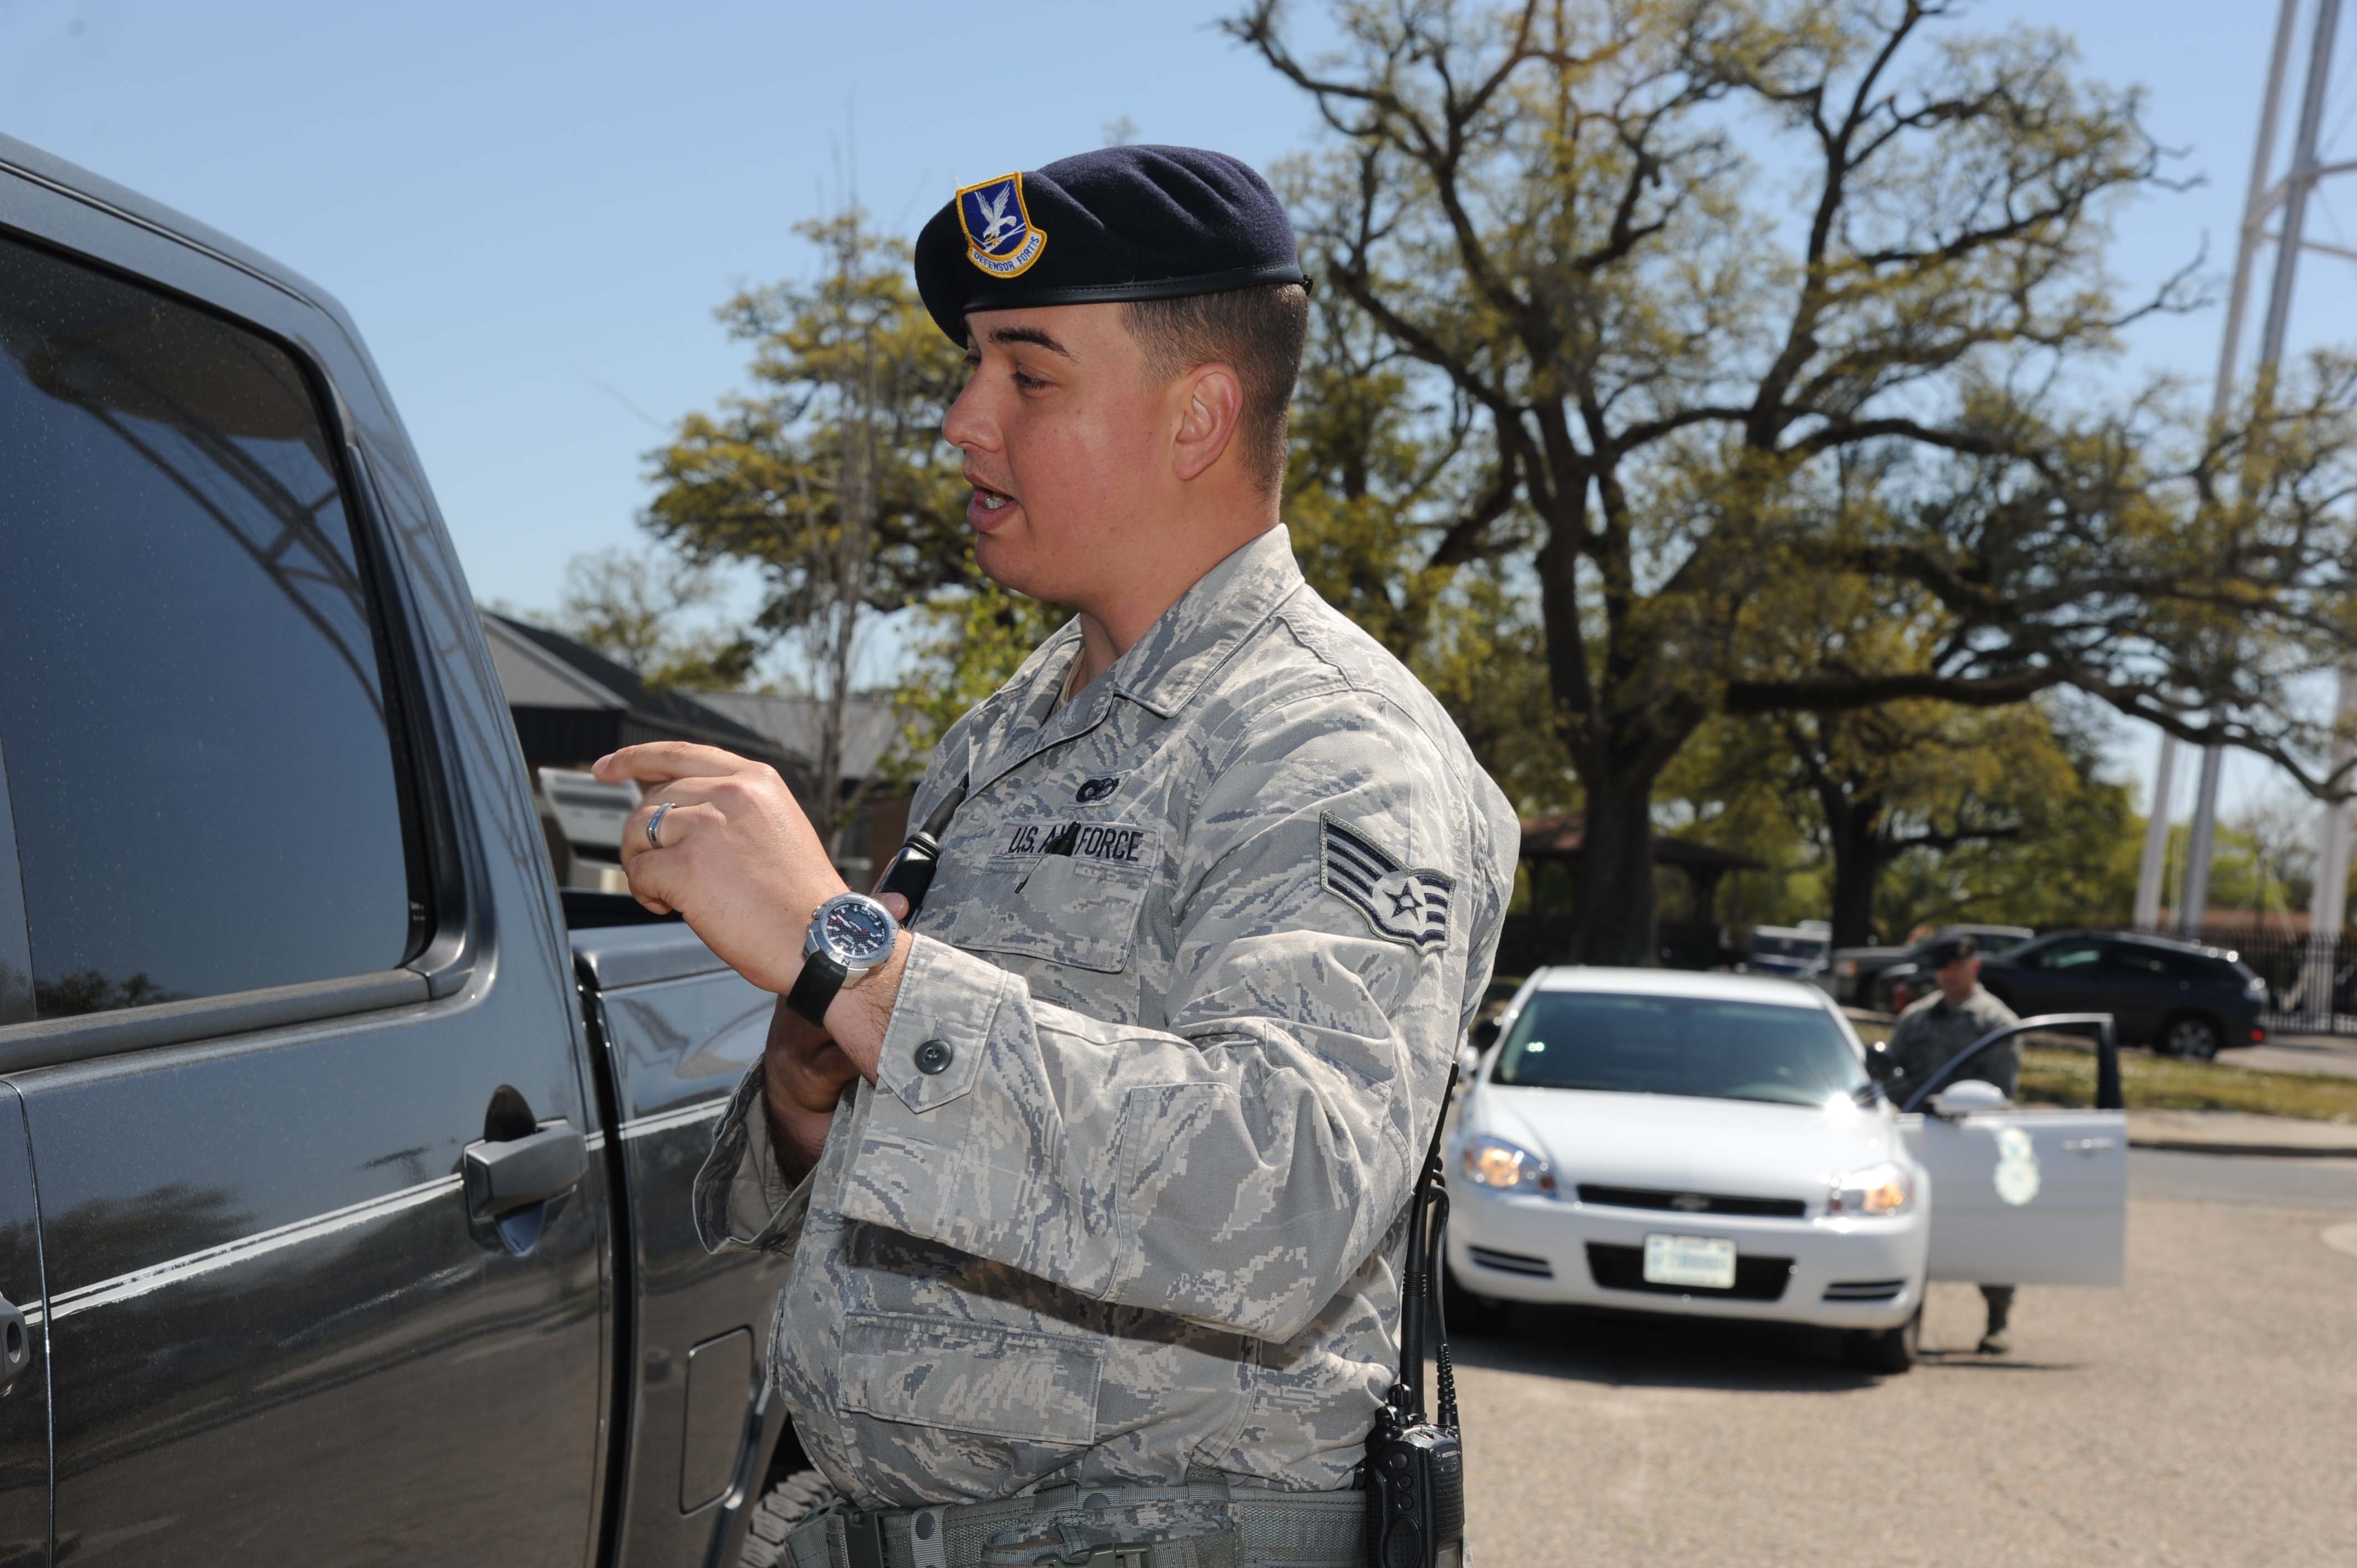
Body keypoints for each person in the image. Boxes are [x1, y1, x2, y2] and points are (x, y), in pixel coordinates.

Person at [591, 145, 1519, 1568]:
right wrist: (800, 1083)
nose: (963, 421)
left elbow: (1289, 1194)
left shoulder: (1336, 745)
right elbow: (888, 1129)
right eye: (970, 368)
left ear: (1199, 414)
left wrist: (851, 954)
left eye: (1028, 376)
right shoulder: (1007, 731)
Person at [1887, 934, 2023, 1354]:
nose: (1949, 974)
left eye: (1957, 966)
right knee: (1914, 1230)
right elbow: (1892, 1072)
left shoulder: (1995, 1021)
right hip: (1921, 1138)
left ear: (1974, 967)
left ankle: (1997, 1318)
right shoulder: (1915, 1019)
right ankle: (1903, 1317)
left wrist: (1956, 1104)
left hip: (1974, 1142)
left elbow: (2001, 1087)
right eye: (1943, 967)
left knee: (1988, 1232)